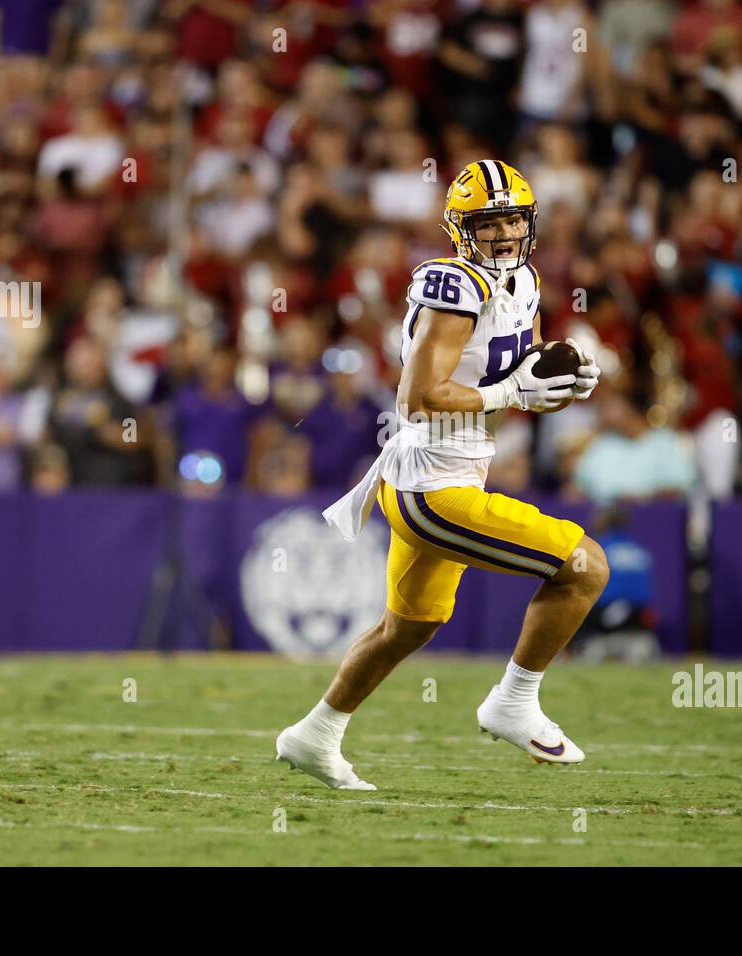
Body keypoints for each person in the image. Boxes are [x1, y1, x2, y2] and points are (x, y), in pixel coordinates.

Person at [276, 160, 607, 790]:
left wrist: (565, 383)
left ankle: (314, 735)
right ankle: (513, 702)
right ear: (463, 228)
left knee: (409, 626)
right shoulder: (456, 286)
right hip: (431, 484)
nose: (506, 232)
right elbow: (418, 395)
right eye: (490, 221)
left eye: (514, 218)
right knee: (585, 566)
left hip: (453, 474)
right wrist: (512, 392)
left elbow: (521, 377)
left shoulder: (525, 282)